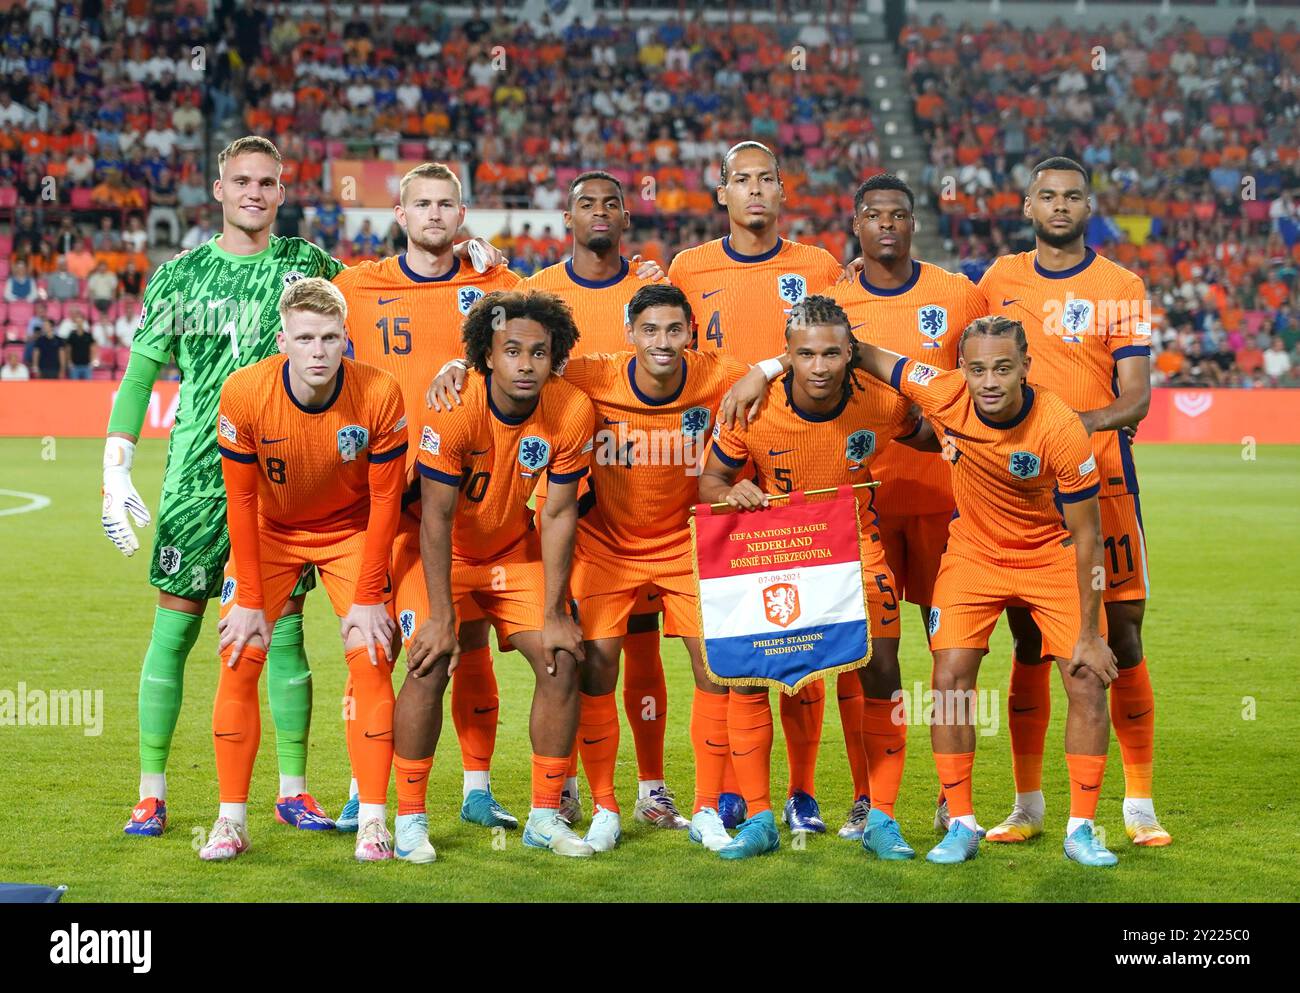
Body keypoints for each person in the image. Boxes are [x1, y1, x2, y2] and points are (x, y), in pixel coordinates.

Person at [103, 136, 347, 840]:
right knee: (175, 630)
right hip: (195, 483)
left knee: (284, 633)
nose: (254, 193)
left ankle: (292, 791)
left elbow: (386, 290)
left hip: (281, 483)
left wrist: (472, 259)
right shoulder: (179, 277)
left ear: (281, 192)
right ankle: (151, 793)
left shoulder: (310, 266)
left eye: (267, 182)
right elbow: (139, 377)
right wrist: (115, 467)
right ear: (219, 189)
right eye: (242, 181)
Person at [846, 316, 1120, 867]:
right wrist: (765, 370)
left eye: (1002, 368)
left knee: (1087, 677)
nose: (989, 382)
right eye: (977, 370)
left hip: (1050, 553)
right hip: (974, 553)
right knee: (948, 677)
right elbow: (861, 351)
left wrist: (1091, 633)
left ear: (1025, 368)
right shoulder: (943, 392)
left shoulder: (1060, 427)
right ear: (962, 370)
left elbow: (1089, 537)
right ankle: (962, 823)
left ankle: (1083, 830)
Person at [702, 295, 938, 859]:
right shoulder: (753, 406)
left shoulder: (881, 402)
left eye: (832, 353)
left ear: (850, 352)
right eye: (805, 354)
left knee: (882, 670)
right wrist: (733, 488)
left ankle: (881, 818)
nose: (820, 366)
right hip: (777, 554)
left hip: (856, 552)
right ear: (787, 354)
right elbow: (710, 481)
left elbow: (936, 433)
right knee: (751, 678)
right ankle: (760, 818)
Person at [979, 156, 1170, 847]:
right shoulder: (998, 280)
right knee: (1029, 639)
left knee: (1123, 633)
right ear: (1028, 206)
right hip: (1023, 489)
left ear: (1089, 207)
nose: (1060, 206)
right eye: (1048, 196)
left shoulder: (1120, 285)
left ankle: (1139, 803)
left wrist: (1072, 426)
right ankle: (1027, 805)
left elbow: (1136, 397)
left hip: (1105, 481)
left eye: (1072, 196)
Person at [333, 161, 521, 840]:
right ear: (401, 216)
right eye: (423, 204)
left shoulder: (496, 284)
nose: (435, 214)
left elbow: (540, 342)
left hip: (464, 493)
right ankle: (362, 787)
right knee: (374, 646)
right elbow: (304, 329)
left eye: (447, 204)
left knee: (469, 639)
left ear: (462, 216)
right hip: (380, 494)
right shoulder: (357, 285)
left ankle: (477, 788)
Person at [668, 140, 847, 833]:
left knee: (802, 643)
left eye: (765, 179)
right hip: (719, 466)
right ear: (722, 193)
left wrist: (766, 369)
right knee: (730, 647)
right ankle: (729, 792)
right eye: (740, 180)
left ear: (781, 190)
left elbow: (835, 340)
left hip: (795, 461)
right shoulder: (689, 267)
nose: (754, 190)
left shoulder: (818, 265)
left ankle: (802, 791)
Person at [202, 277, 407, 862]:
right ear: (282, 340)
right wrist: (248, 599)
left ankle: (373, 822)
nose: (318, 351)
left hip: (351, 532)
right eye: (305, 339)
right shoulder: (245, 392)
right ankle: (231, 821)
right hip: (269, 531)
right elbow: (240, 499)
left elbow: (386, 500)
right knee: (239, 652)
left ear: (346, 337)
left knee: (372, 654)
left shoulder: (379, 393)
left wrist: (369, 594)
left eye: (330, 338)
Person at [518, 171, 684, 828]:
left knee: (644, 647)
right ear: (567, 217)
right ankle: (569, 788)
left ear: (625, 215)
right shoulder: (538, 292)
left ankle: (651, 788)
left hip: (642, 493)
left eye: (611, 203)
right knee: (580, 652)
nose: (599, 212)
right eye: (585, 203)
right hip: (570, 499)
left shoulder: (650, 286)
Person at [824, 173, 987, 838]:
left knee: (953, 655)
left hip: (950, 502)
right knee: (867, 657)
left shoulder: (958, 293)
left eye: (898, 214)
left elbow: (988, 378)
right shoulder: (832, 300)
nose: (887, 225)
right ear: (856, 225)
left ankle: (954, 798)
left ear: (913, 223)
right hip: (863, 505)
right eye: (874, 215)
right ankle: (868, 797)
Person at [406, 289, 595, 859]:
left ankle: (544, 815)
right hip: (441, 556)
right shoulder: (455, 403)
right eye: (512, 351)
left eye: (539, 352)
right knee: (430, 660)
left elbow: (558, 513)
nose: (525, 364)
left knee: (562, 656)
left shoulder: (570, 408)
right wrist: (441, 616)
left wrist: (556, 611)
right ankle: (410, 819)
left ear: (554, 357)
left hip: (512, 554)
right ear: (487, 356)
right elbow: (435, 518)